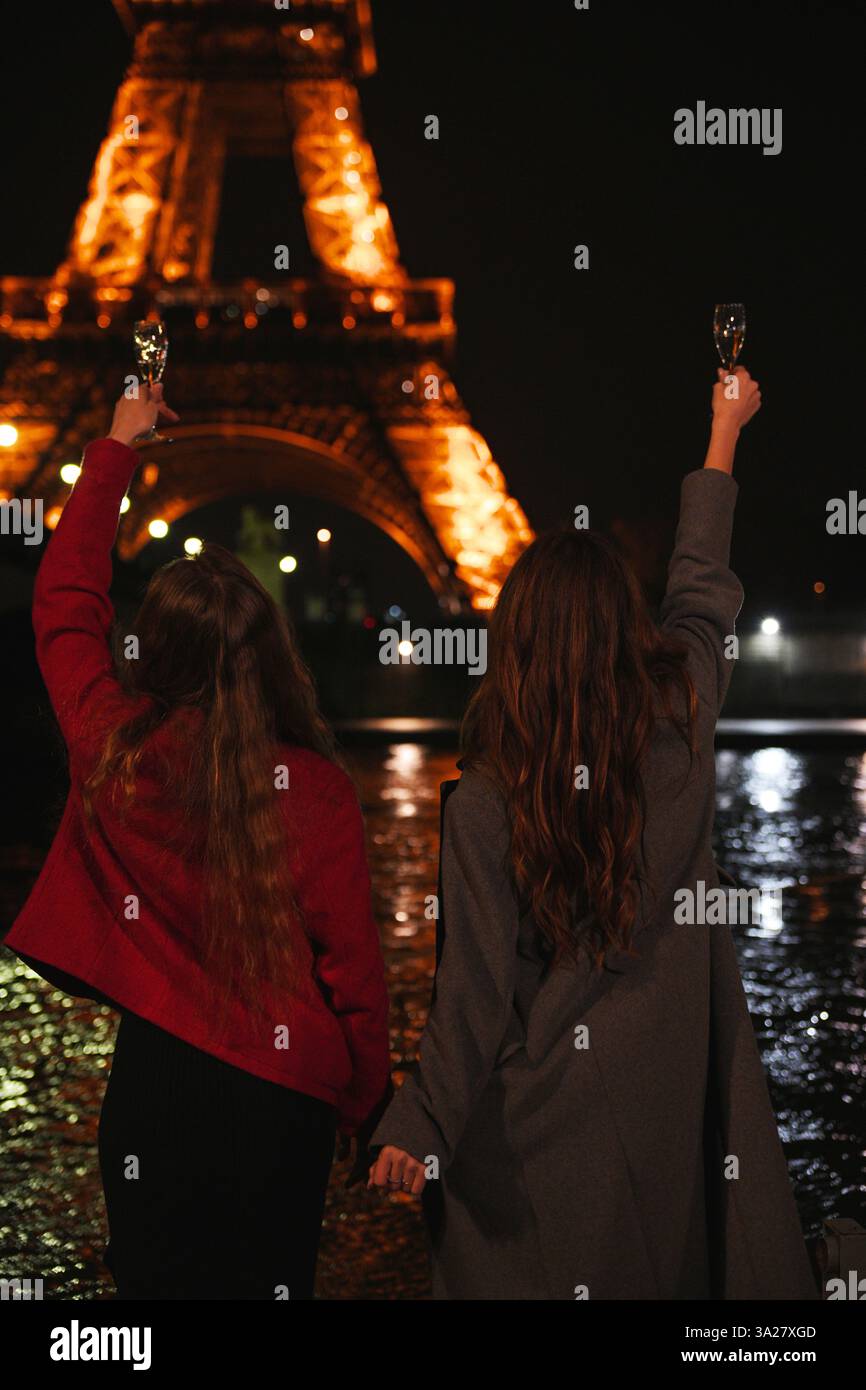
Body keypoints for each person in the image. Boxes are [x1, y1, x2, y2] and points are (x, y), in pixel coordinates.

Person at [368, 367, 818, 1301]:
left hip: (544, 1123)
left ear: (516, 643)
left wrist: (420, 1122)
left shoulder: (491, 799)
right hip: (668, 1090)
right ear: (626, 630)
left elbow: (475, 996)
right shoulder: (684, 727)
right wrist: (724, 428)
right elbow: (702, 589)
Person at [6, 384, 391, 1300]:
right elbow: (355, 976)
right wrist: (364, 1105)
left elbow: (63, 603)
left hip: (158, 1091)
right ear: (269, 654)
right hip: (281, 1100)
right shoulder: (318, 791)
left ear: (156, 652)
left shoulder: (113, 747)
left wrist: (116, 445)